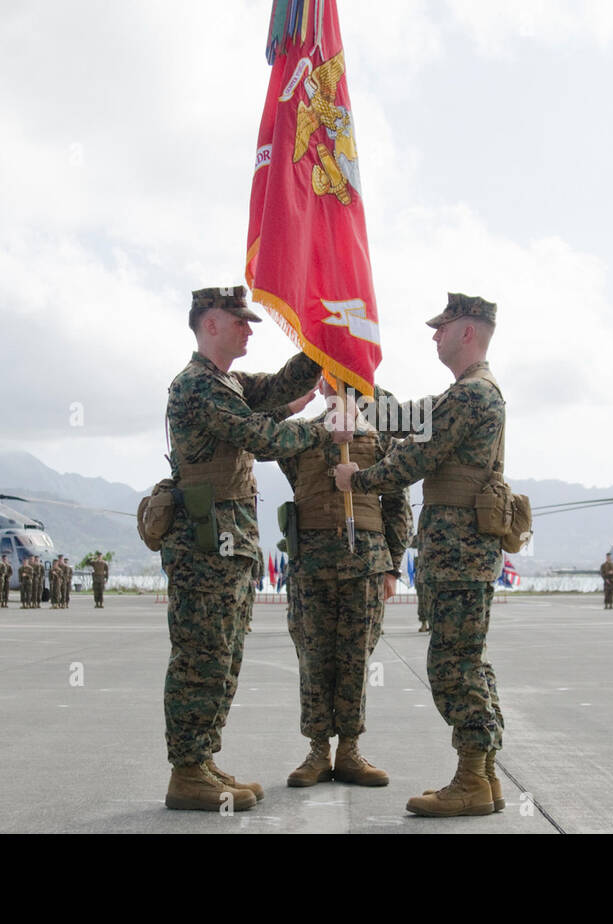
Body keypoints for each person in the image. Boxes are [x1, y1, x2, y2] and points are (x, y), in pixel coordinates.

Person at [158, 285, 337, 813]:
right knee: (201, 655)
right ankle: (187, 771)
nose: (250, 329)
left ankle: (202, 760)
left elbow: (281, 385)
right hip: (203, 542)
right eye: (240, 320)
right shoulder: (197, 385)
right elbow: (262, 439)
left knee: (225, 653)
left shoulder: (227, 382)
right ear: (210, 323)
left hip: (227, 540)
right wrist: (322, 432)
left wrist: (320, 348)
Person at [335, 292, 507, 818]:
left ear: (468, 333)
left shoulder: (472, 395)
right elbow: (408, 415)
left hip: (459, 553)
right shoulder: (468, 394)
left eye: (443, 327)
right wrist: (356, 385)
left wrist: (357, 477)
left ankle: (472, 779)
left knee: (454, 665)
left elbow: (415, 454)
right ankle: (485, 777)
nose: (435, 335)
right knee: (468, 661)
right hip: (461, 552)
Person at [277, 376, 411, 789]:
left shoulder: (379, 441)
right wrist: (290, 404)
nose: (338, 390)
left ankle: (349, 750)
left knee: (355, 659)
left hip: (365, 564)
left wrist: (393, 566)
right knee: (313, 658)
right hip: (311, 565)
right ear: (319, 387)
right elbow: (265, 441)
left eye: (347, 382)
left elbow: (397, 503)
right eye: (330, 382)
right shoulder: (300, 437)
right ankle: (318, 750)